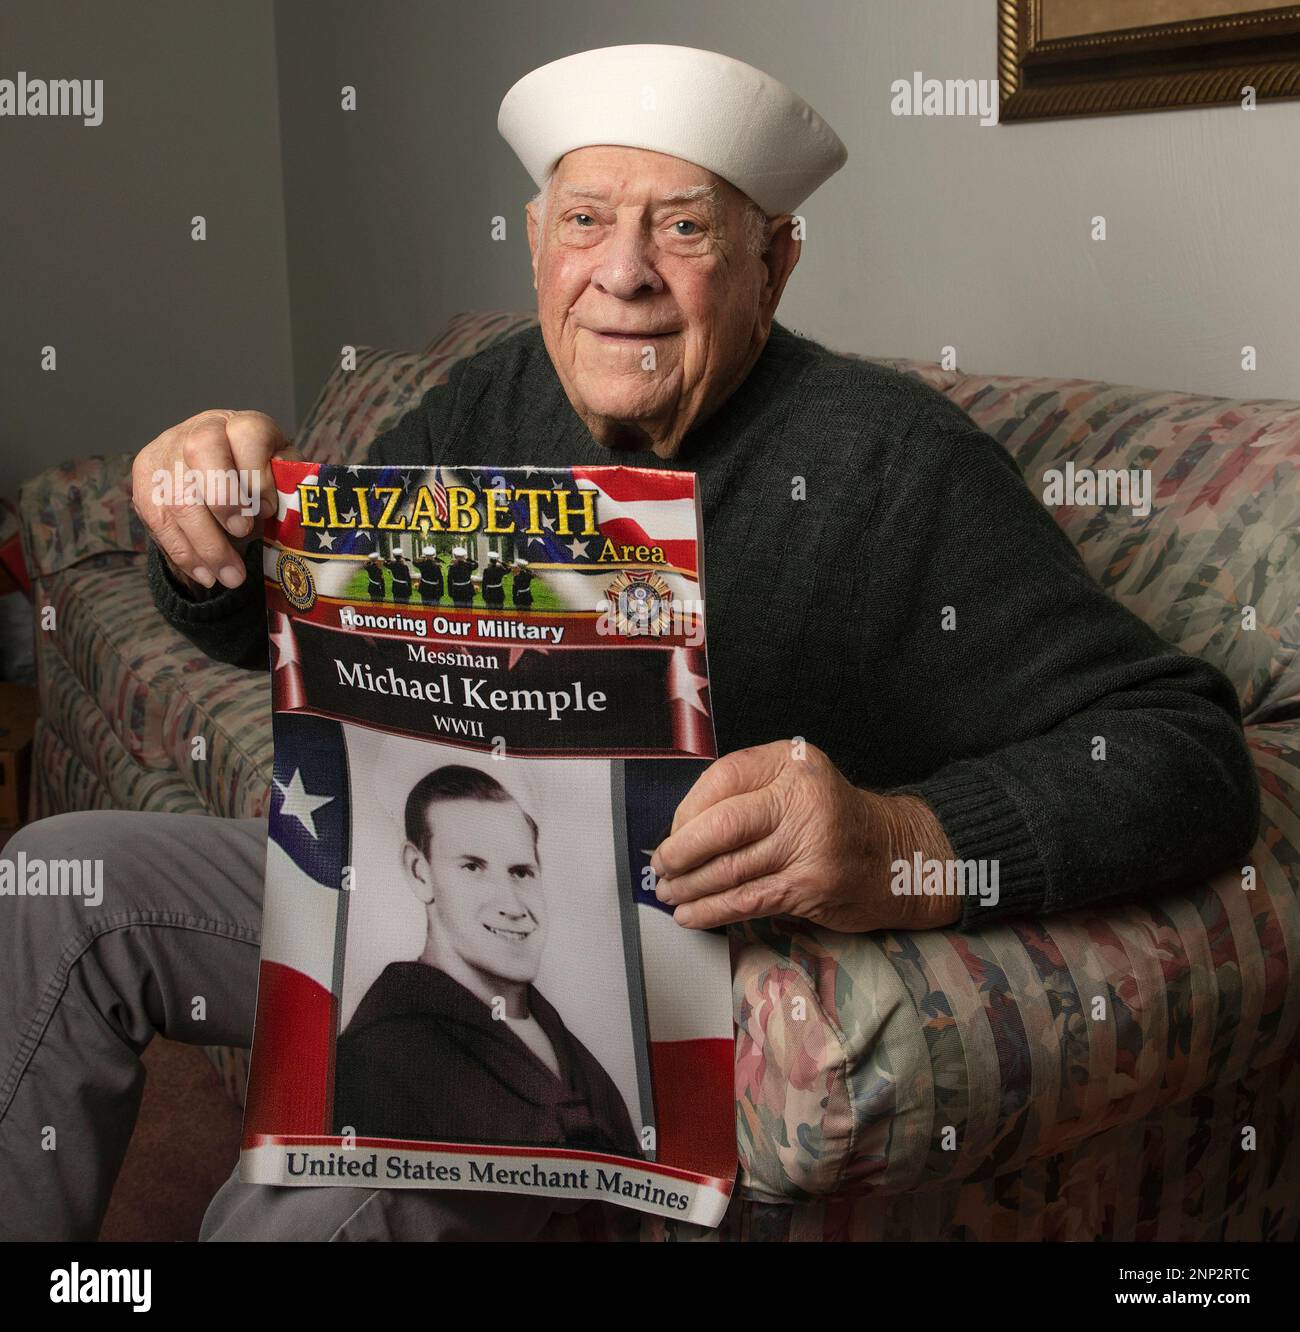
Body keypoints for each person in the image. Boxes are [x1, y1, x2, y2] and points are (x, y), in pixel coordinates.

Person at [3, 44, 1259, 1242]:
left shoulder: (894, 464)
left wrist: (901, 845)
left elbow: (1180, 753)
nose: (625, 273)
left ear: (775, 263)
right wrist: (205, 538)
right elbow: (311, 627)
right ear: (540, 246)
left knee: (339, 1184)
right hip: (405, 888)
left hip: (644, 976)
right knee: (58, 885)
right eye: (586, 220)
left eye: (685, 227)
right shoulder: (494, 397)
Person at [334, 765, 639, 1156]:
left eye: (521, 872)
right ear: (419, 873)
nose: (512, 905)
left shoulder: (574, 1057)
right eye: (473, 867)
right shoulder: (379, 1060)